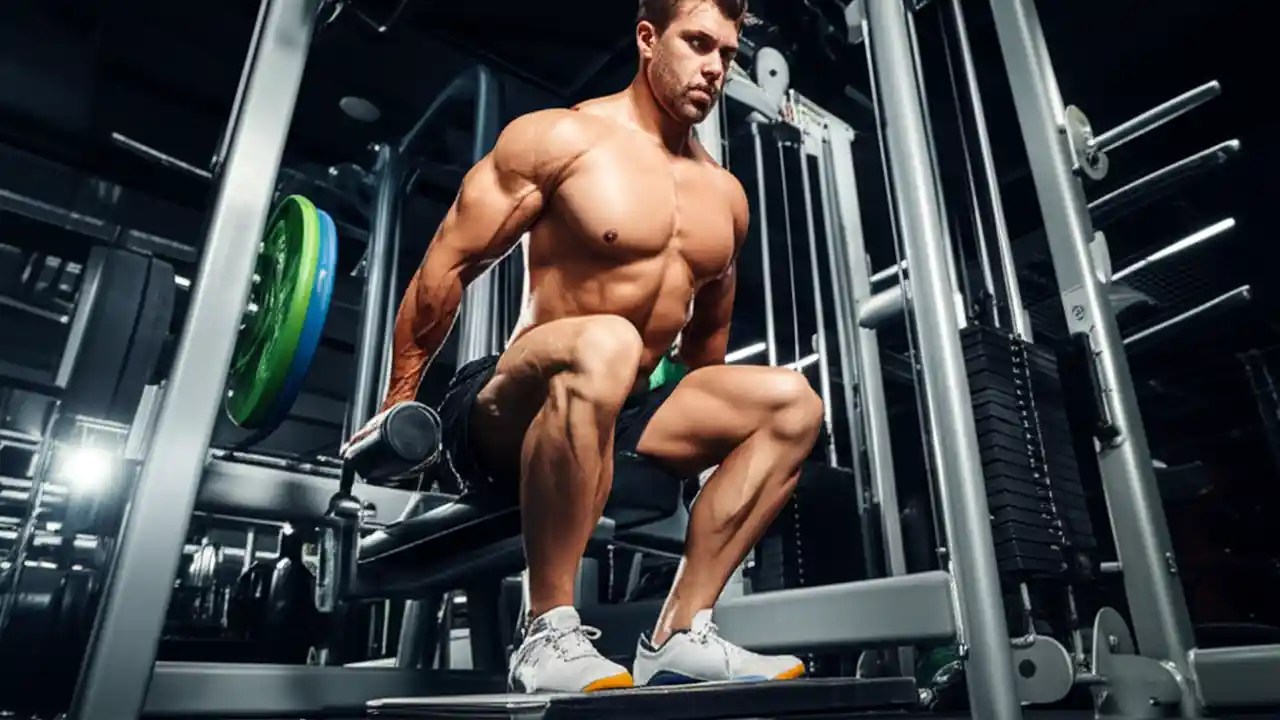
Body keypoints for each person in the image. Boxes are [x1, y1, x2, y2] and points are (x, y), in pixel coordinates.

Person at [351, 0, 824, 694]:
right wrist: (397, 410)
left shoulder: (724, 197)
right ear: (646, 38)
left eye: (727, 53)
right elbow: (444, 269)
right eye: (697, 44)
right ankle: (546, 632)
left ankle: (680, 632)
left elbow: (705, 352)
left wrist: (700, 455)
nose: (715, 68)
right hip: (506, 405)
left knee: (792, 404)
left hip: (625, 404)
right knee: (607, 340)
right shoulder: (561, 140)